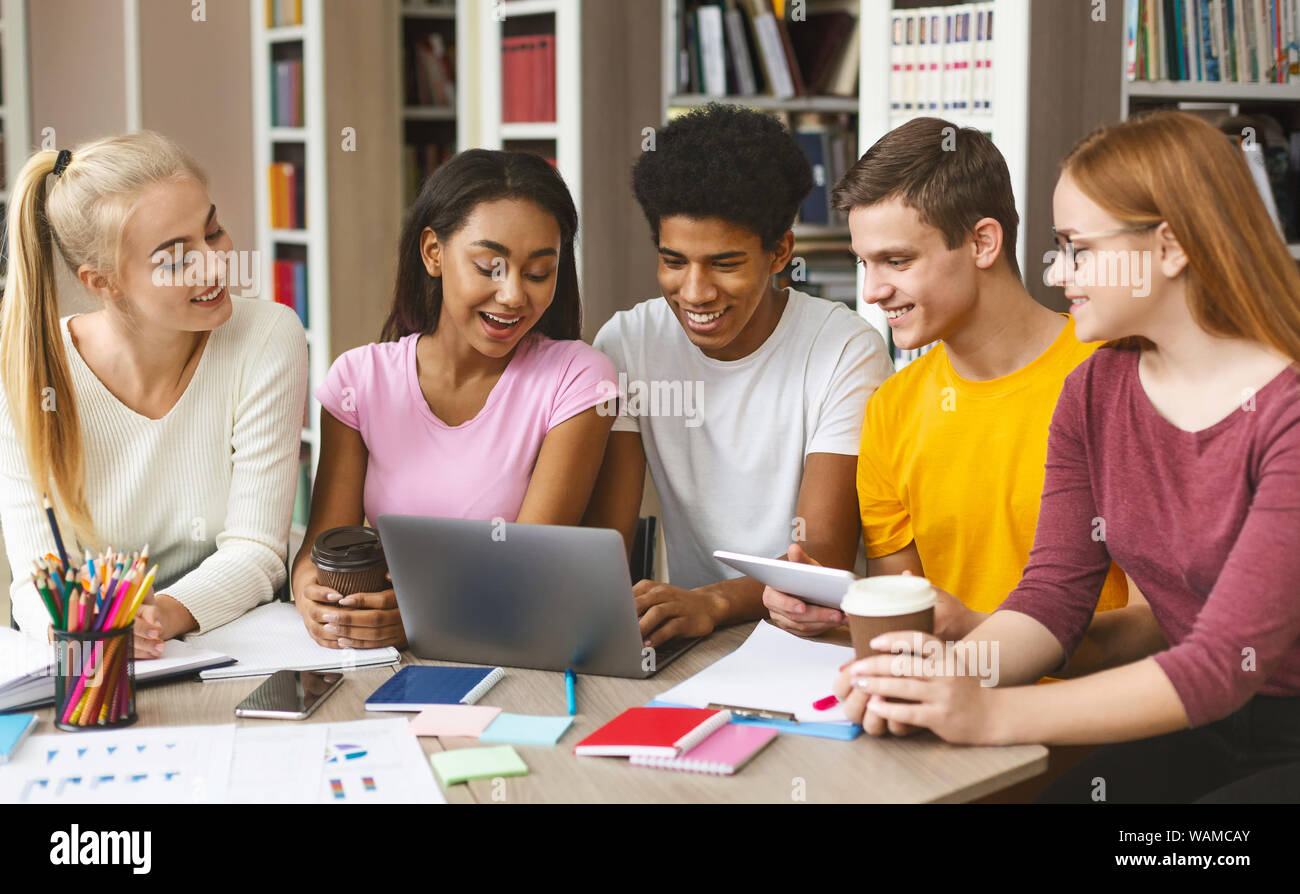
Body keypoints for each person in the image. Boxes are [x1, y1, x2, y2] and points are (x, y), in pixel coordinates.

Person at [834, 111, 1300, 803]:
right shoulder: (1095, 390)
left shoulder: (1285, 411)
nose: (1059, 271)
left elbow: (1218, 665)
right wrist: (947, 675)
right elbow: (1054, 595)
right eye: (1058, 246)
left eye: (1079, 248)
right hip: (1206, 723)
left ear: (1169, 247)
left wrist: (985, 712)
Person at [762, 119, 1133, 687]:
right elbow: (918, 626)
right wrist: (830, 617)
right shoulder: (891, 410)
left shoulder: (1117, 379)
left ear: (982, 242)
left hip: (1090, 724)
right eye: (865, 262)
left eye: (897, 261)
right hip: (950, 712)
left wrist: (979, 645)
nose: (872, 290)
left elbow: (1163, 629)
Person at [585, 104, 894, 650]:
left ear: (780, 251)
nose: (696, 292)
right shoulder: (627, 343)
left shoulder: (845, 348)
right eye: (673, 261)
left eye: (725, 264)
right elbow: (606, 543)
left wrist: (713, 601)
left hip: (811, 638)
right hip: (687, 635)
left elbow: (820, 556)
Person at [292, 149, 616, 650]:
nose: (512, 296)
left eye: (537, 274)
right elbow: (323, 550)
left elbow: (528, 568)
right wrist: (311, 594)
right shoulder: (359, 379)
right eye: (489, 266)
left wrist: (422, 617)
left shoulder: (578, 379)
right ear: (433, 253)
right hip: (382, 659)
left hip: (512, 651)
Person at [0, 132, 307, 657]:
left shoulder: (268, 336)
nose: (214, 266)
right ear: (103, 283)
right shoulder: (29, 372)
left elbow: (257, 549)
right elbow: (37, 578)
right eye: (173, 258)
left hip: (236, 641)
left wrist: (158, 617)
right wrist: (76, 631)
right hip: (98, 652)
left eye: (213, 232)